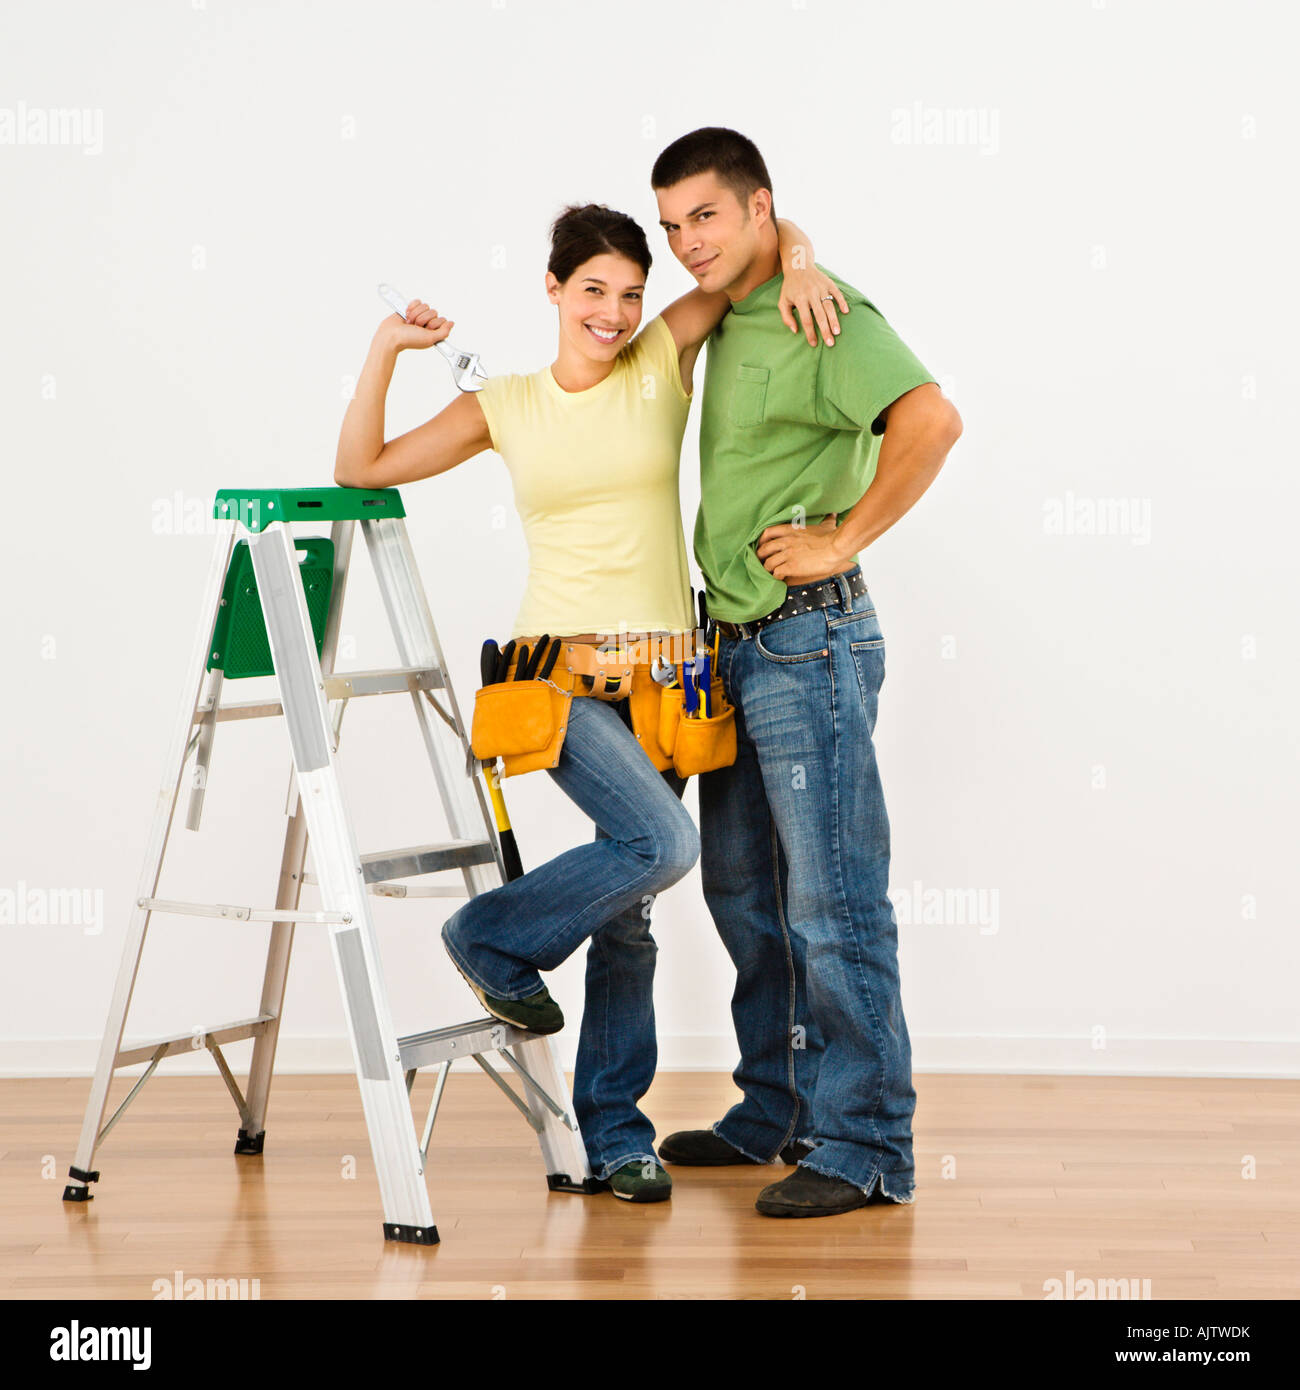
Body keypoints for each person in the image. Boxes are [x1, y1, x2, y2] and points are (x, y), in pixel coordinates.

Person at [333, 201, 844, 1203]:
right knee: (660, 845)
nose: (612, 312)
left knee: (630, 918)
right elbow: (360, 467)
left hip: (665, 683)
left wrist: (804, 260)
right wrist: (387, 346)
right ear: (554, 290)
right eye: (593, 291)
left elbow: (744, 250)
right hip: (556, 679)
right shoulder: (507, 404)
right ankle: (487, 937)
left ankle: (616, 1135)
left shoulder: (659, 361)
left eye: (629, 293)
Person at [650, 127, 964, 1218]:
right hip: (732, 642)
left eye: (706, 215)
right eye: (672, 224)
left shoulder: (818, 312)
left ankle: (869, 1145)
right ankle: (776, 1108)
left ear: (755, 206)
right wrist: (789, 248)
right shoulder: (742, 304)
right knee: (744, 894)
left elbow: (931, 419)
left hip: (807, 635)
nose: (687, 240)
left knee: (832, 903)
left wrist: (841, 536)